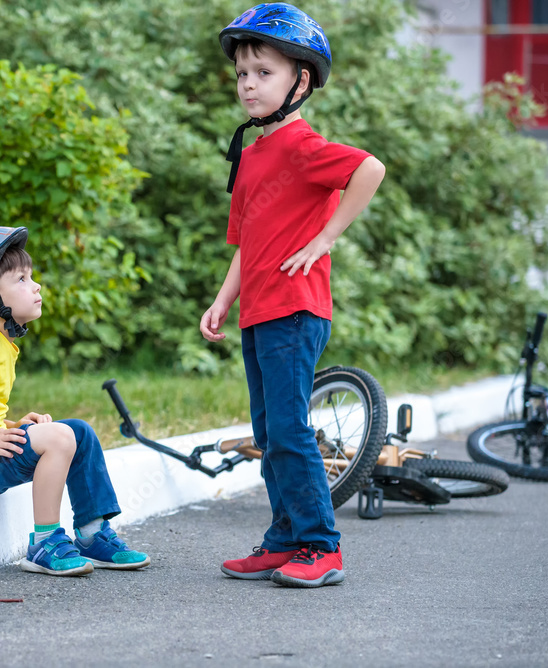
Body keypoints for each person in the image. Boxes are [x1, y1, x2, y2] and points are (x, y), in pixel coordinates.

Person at [200, 3, 385, 588]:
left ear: (300, 81)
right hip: (258, 311)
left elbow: (370, 169)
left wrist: (326, 237)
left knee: (289, 429)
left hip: (295, 309)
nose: (248, 84)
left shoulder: (304, 147)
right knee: (268, 432)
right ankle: (284, 539)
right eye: (242, 75)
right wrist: (223, 299)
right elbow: (245, 241)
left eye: (263, 72)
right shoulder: (252, 157)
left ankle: (320, 545)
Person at [0, 224, 149, 576]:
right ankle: (44, 543)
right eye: (22, 279)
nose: (36, 285)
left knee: (80, 432)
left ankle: (91, 535)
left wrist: (12, 427)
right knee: (59, 438)